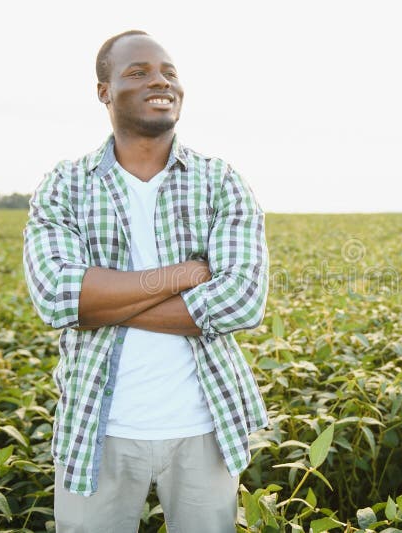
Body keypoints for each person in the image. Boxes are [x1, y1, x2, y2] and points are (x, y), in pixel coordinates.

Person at [22, 29, 270, 532]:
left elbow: (242, 301)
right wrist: (182, 276)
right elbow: (56, 296)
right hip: (96, 427)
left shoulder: (219, 179)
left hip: (206, 426)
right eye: (138, 72)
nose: (161, 81)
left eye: (169, 73)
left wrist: (102, 300)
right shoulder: (66, 184)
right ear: (105, 90)